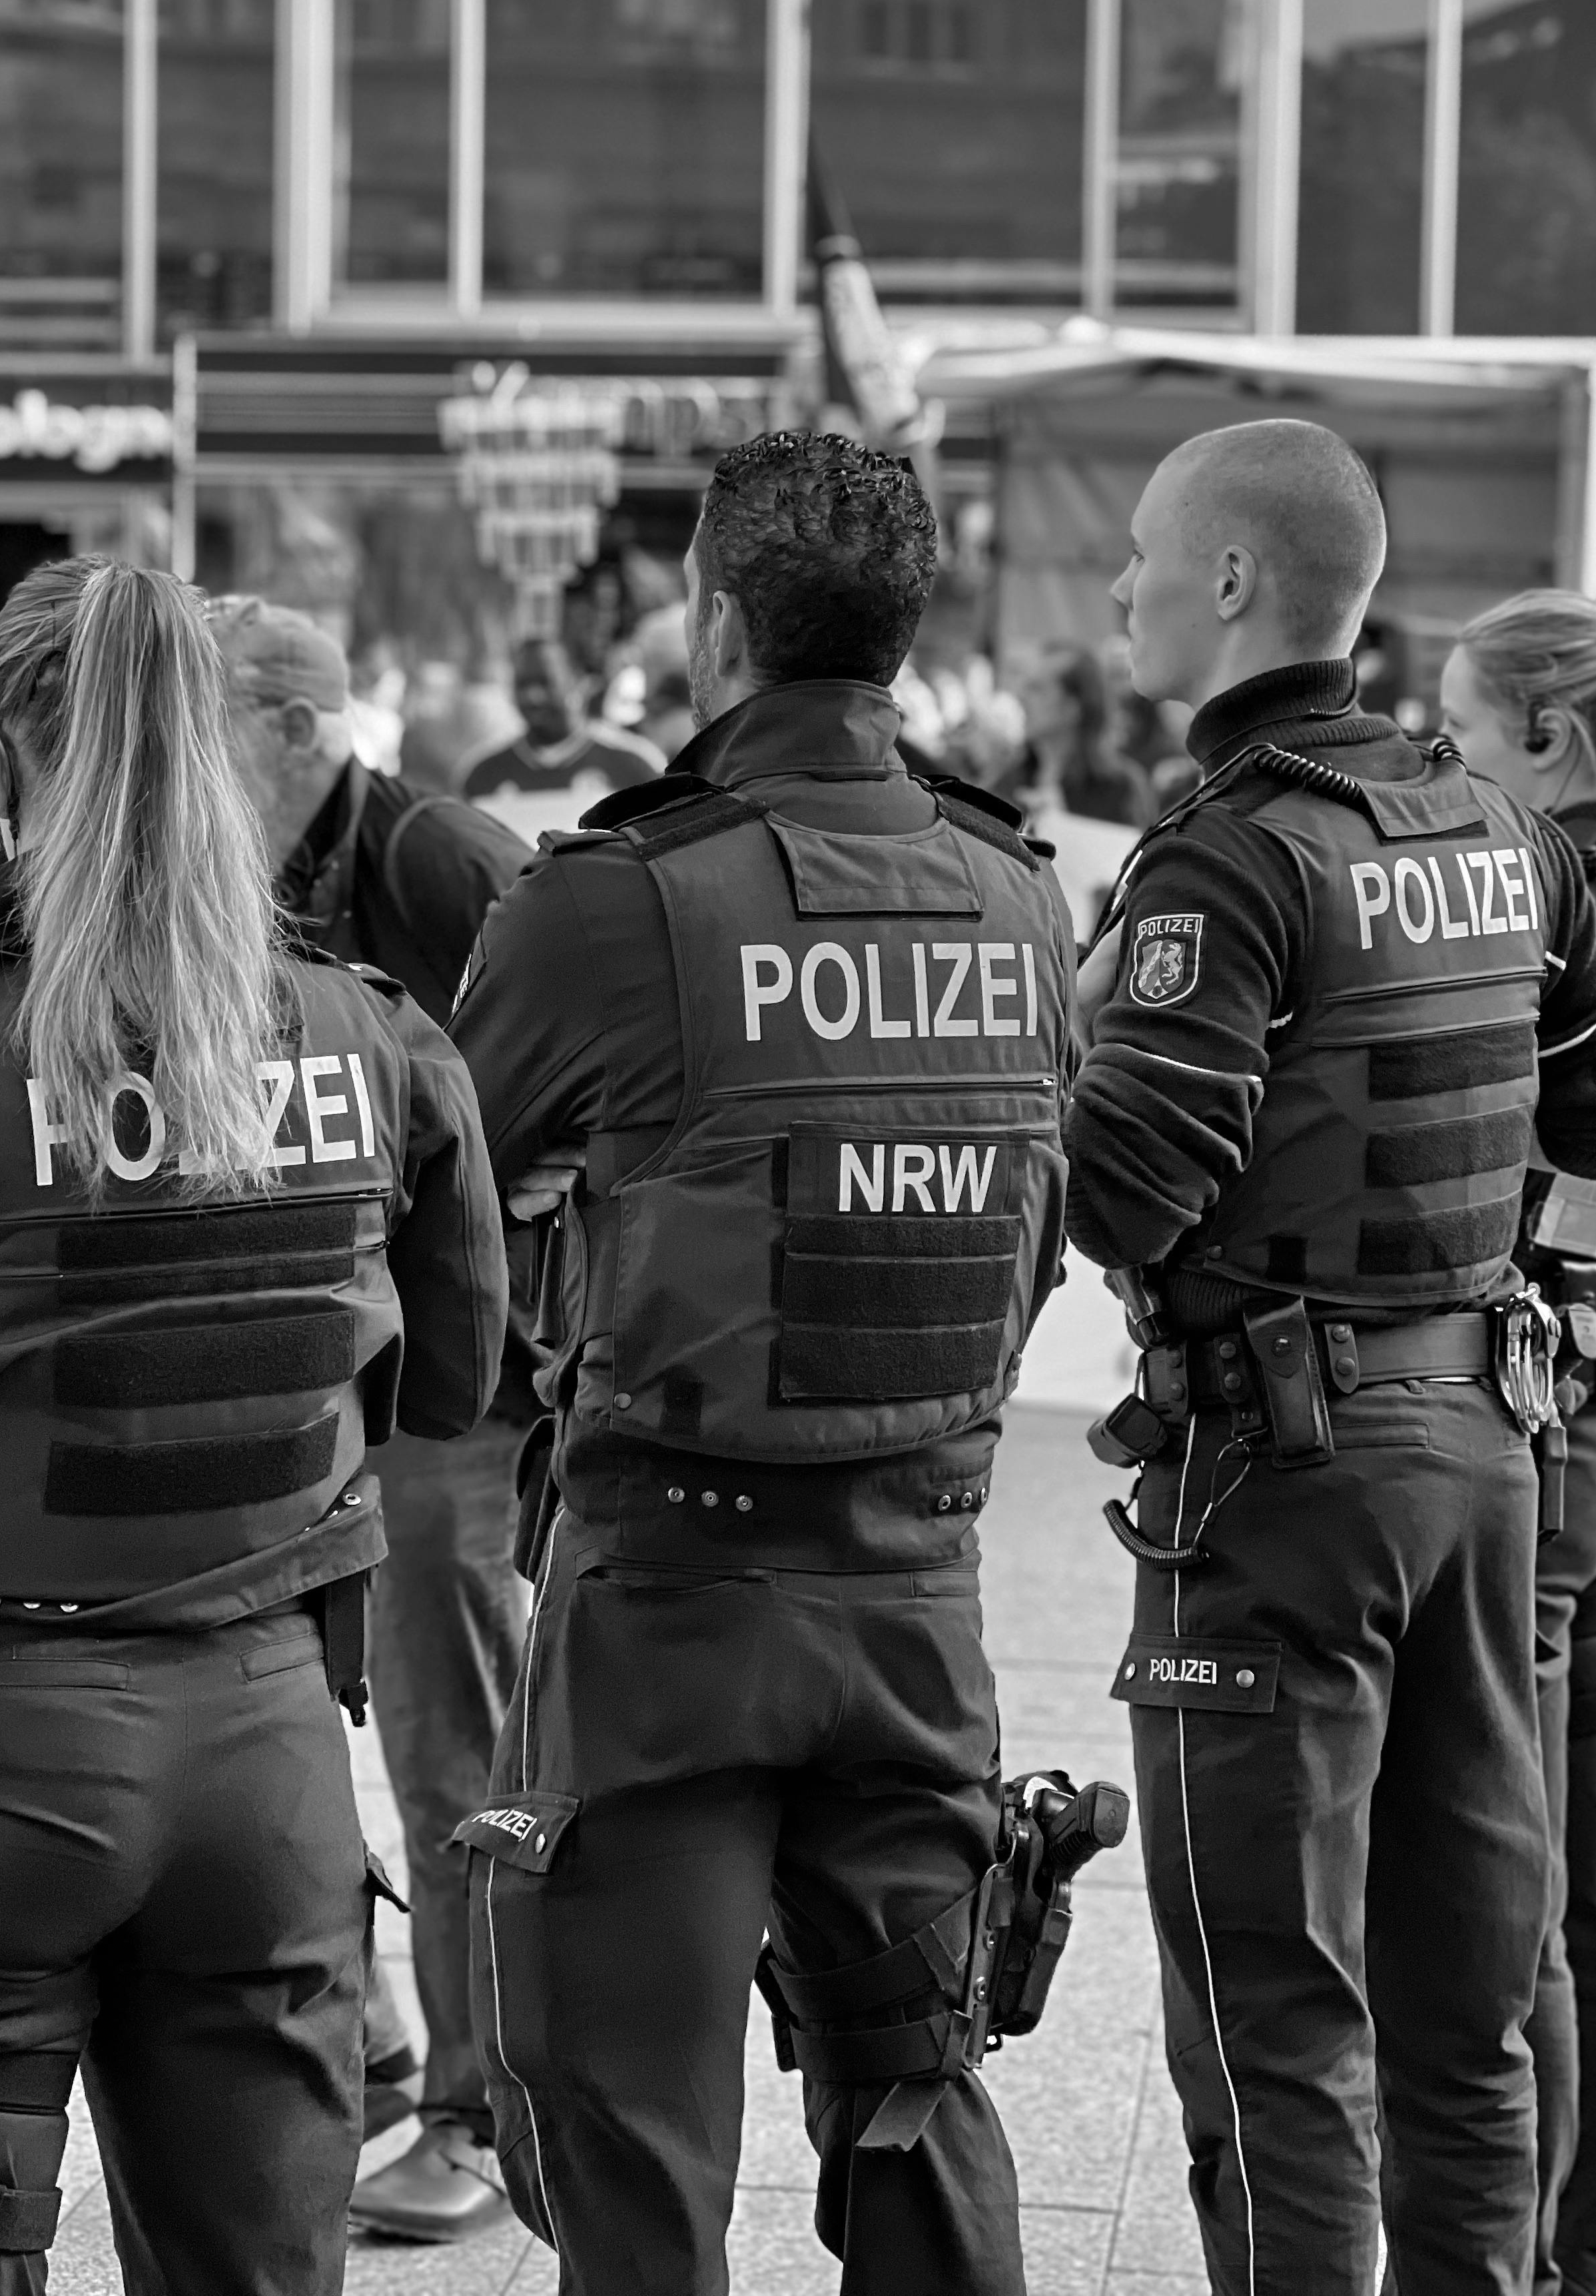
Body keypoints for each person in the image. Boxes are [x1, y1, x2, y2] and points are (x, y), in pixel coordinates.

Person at [0, 558, 508, 2296]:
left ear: (4, 760)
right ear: (223, 756)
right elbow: (448, 1384)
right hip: (270, 1762)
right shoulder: (376, 1041)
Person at [450, 429, 1080, 2296]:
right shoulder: (1020, 893)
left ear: (715, 620)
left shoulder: (615, 894)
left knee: (634, 2142)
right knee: (916, 2090)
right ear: (904, 631)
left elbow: (441, 1196)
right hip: (918, 1579)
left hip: (673, 1605)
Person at [1065, 420, 1596, 2296]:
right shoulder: (1498, 828)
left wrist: (1061, 1049)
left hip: (1284, 1482)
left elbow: (1127, 1198)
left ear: (1235, 584)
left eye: (1147, 556)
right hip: (1493, 1452)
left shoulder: (1227, 860)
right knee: (1467, 2005)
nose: (1121, 589)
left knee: (1277, 2034)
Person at [208, 595, 536, 2242]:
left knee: (447, 1742)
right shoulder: (265, 864)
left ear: (290, 729)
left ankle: (481, 2116)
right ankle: (394, 2048)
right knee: (311, 1721)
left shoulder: (444, 864)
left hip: (455, 1396)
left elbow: (543, 1127)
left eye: (210, 733)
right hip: (344, 1374)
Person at [1439, 591, 1596, 2296]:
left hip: (1536, 1405)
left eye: (1455, 738)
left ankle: (1521, 2258)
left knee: (1507, 1869)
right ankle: (1592, 2249)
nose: (1443, 775)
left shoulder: (1542, 892)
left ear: (1546, 740)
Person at [456, 636, 664, 848]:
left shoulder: (635, 765)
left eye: (544, 682)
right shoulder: (480, 775)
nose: (532, 696)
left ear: (575, 680)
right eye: (523, 684)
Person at [1013, 642, 1154, 827]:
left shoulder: (1120, 789)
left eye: (1037, 689)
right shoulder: (1007, 781)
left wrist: (1061, 825)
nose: (1021, 697)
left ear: (1073, 707)